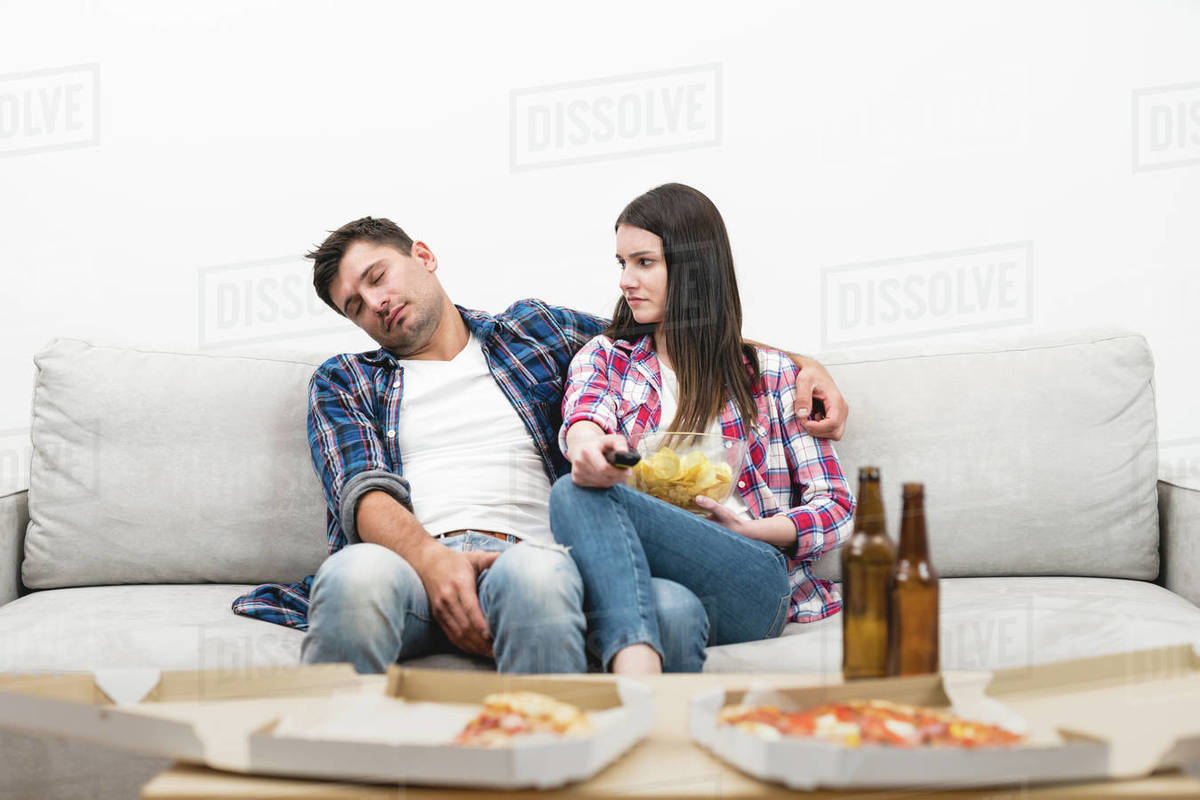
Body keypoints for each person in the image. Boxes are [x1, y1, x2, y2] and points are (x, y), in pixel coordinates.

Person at [231, 215, 850, 674]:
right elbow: (360, 492)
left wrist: (803, 363)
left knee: (553, 581)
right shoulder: (343, 380)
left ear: (423, 254)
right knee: (349, 578)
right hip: (415, 566)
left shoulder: (536, 330)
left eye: (377, 277)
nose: (376, 303)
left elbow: (671, 334)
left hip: (538, 555)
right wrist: (433, 562)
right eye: (355, 306)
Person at [549, 183, 855, 675]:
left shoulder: (773, 376)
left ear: (693, 268)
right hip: (651, 572)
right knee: (665, 605)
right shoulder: (607, 358)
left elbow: (837, 506)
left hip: (752, 570)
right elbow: (586, 415)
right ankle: (644, 698)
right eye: (621, 263)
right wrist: (589, 448)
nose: (626, 280)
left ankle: (623, 690)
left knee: (574, 495)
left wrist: (758, 530)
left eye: (644, 262)